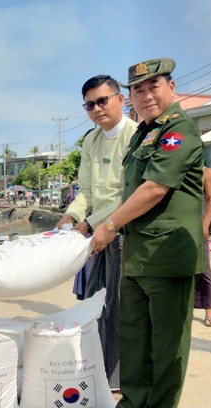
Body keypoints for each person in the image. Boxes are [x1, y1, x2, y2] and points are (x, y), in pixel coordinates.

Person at [90, 58, 204, 408]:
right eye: (137, 90)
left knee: (167, 347)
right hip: (139, 254)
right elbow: (130, 189)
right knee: (135, 340)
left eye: (153, 86)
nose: (145, 95)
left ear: (172, 87)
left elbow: (153, 188)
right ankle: (132, 406)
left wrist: (108, 226)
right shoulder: (145, 132)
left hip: (168, 256)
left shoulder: (179, 130)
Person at [55, 74, 138, 390]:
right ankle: (95, 371)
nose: (97, 109)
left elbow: (128, 193)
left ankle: (117, 381)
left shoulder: (135, 136)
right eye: (90, 104)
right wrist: (70, 216)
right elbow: (87, 190)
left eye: (102, 100)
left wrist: (91, 224)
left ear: (120, 99)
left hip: (124, 232)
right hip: (97, 236)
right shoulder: (91, 140)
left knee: (119, 308)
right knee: (92, 304)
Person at [196, 166, 211, 327]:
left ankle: (209, 310)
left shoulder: (206, 173)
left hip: (197, 229)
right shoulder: (175, 168)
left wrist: (205, 224)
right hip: (173, 231)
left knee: (204, 270)